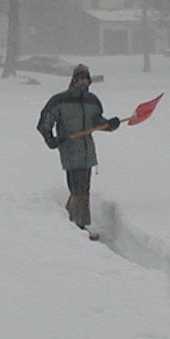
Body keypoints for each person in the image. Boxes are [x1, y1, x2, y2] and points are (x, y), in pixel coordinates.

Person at [37, 64, 120, 233]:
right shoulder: (59, 101)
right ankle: (80, 226)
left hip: (87, 151)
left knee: (83, 187)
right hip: (69, 149)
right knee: (78, 188)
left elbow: (96, 122)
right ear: (73, 80)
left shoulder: (93, 101)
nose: (83, 83)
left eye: (86, 79)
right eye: (79, 79)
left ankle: (70, 217)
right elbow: (44, 123)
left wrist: (110, 125)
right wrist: (50, 139)